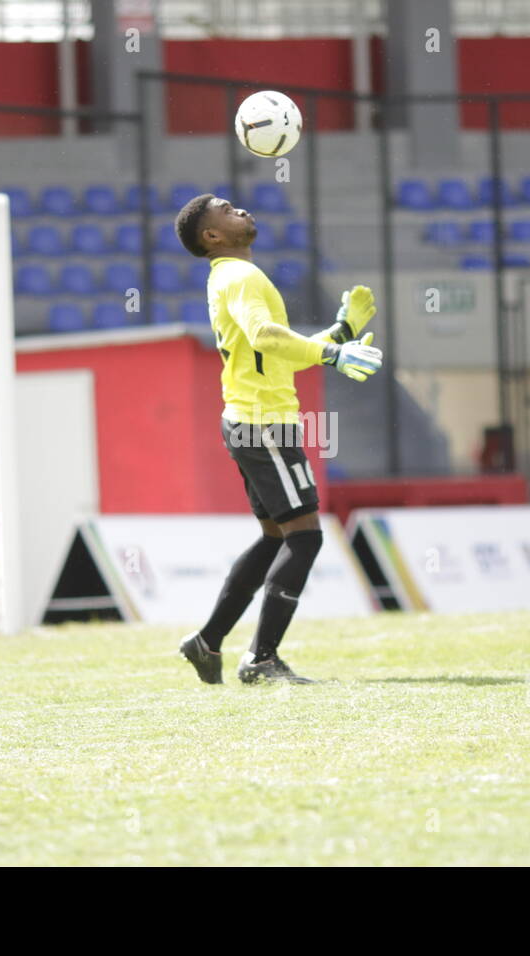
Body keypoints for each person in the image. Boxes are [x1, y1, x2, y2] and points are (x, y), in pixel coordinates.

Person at [171, 193, 382, 684]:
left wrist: (342, 330)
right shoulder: (240, 276)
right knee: (304, 537)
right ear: (211, 236)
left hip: (250, 419)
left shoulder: (230, 276)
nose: (240, 210)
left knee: (275, 537)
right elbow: (266, 335)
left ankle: (206, 641)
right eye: (225, 209)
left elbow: (275, 352)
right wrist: (334, 356)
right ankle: (261, 660)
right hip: (264, 423)